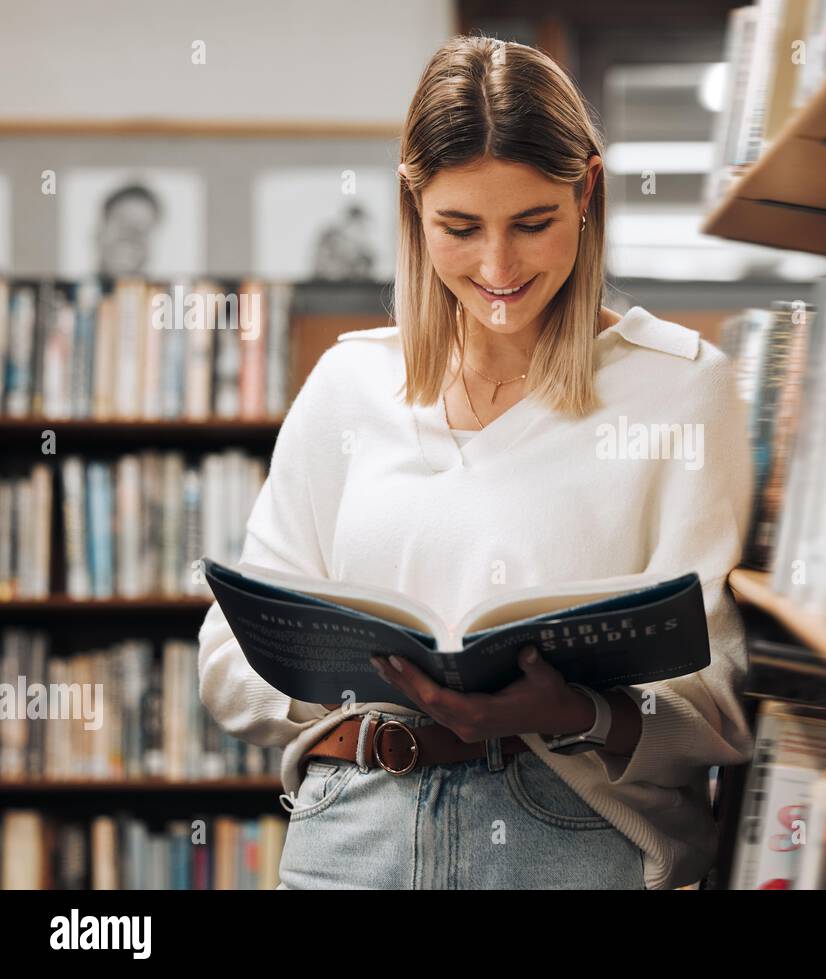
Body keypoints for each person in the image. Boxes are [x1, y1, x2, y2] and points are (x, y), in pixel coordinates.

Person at [197, 33, 755, 890]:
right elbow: (228, 660)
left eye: (533, 224)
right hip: (355, 818)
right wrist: (365, 702)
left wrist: (572, 711)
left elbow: (712, 708)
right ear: (414, 208)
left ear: (588, 193)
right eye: (460, 227)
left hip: (567, 826)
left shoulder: (681, 389)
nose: (498, 268)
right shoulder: (350, 383)